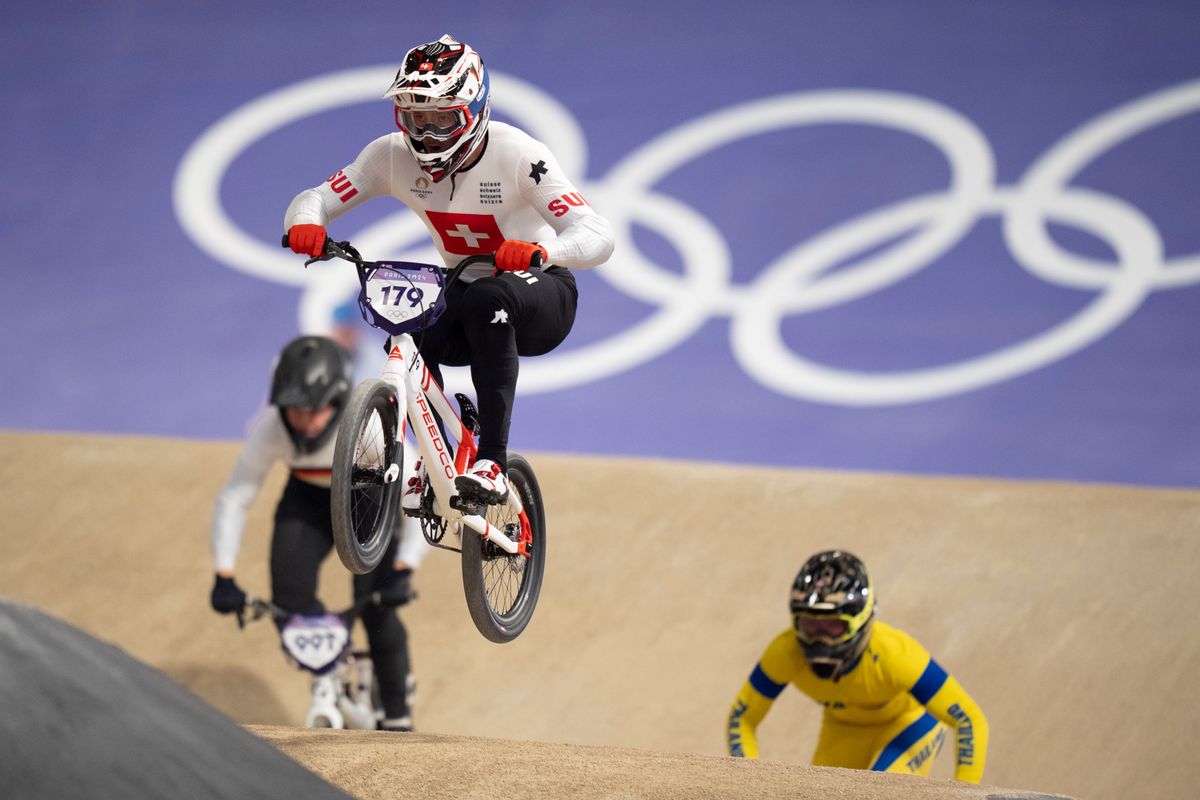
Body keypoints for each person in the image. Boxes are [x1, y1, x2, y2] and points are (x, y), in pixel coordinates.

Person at [283, 34, 614, 503]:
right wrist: (306, 224)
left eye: (442, 119)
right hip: (467, 292)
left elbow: (598, 234)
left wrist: (545, 253)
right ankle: (432, 454)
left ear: (475, 111)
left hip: (543, 298)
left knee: (487, 297)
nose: (426, 134)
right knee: (409, 316)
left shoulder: (520, 155)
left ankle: (493, 463)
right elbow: (315, 198)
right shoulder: (390, 155)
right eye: (416, 118)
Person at [209, 335, 429, 732]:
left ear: (336, 400)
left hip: (368, 499)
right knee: (288, 598)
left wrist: (403, 567)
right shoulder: (272, 427)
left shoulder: (368, 428)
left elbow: (417, 496)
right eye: (293, 411)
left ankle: (397, 709)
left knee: (376, 603)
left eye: (313, 411)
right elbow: (235, 498)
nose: (303, 422)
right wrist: (223, 575)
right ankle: (330, 667)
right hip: (308, 498)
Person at [726, 550, 989, 783]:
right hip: (842, 729)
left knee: (881, 792)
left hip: (908, 724)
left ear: (862, 620)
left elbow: (969, 718)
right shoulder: (785, 652)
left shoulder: (896, 655)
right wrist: (750, 779)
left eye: (833, 626)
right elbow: (742, 718)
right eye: (810, 625)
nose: (820, 639)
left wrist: (966, 792)